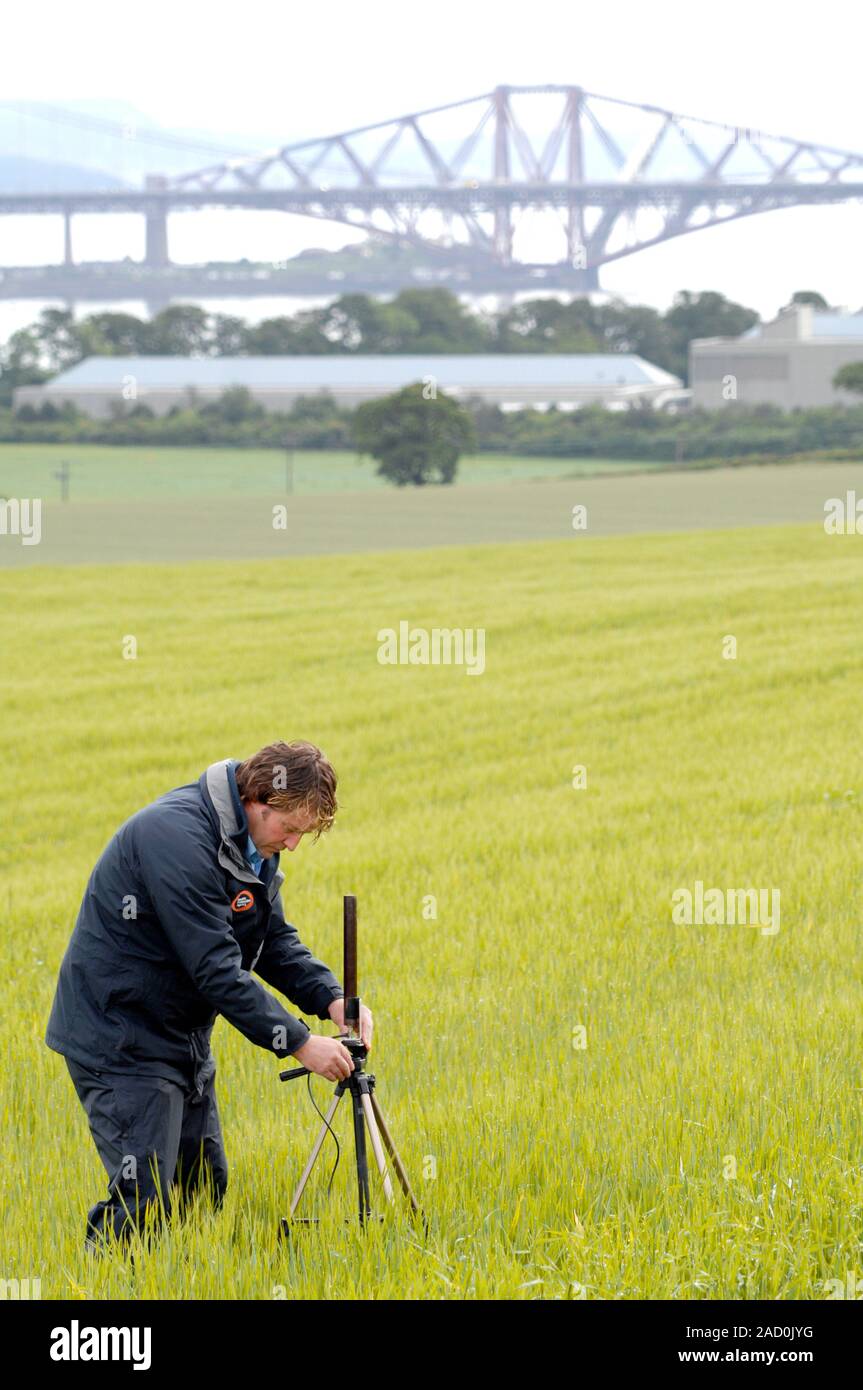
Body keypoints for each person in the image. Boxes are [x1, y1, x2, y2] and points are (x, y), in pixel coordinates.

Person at [45, 740, 373, 1253]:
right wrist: (302, 1043)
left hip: (182, 1036)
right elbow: (216, 970)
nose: (290, 845)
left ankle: (183, 1283)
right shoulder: (176, 839)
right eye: (289, 830)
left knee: (203, 1192)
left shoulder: (248, 847)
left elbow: (272, 943)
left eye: (300, 836)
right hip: (120, 1037)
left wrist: (331, 999)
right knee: (144, 1200)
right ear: (256, 800)